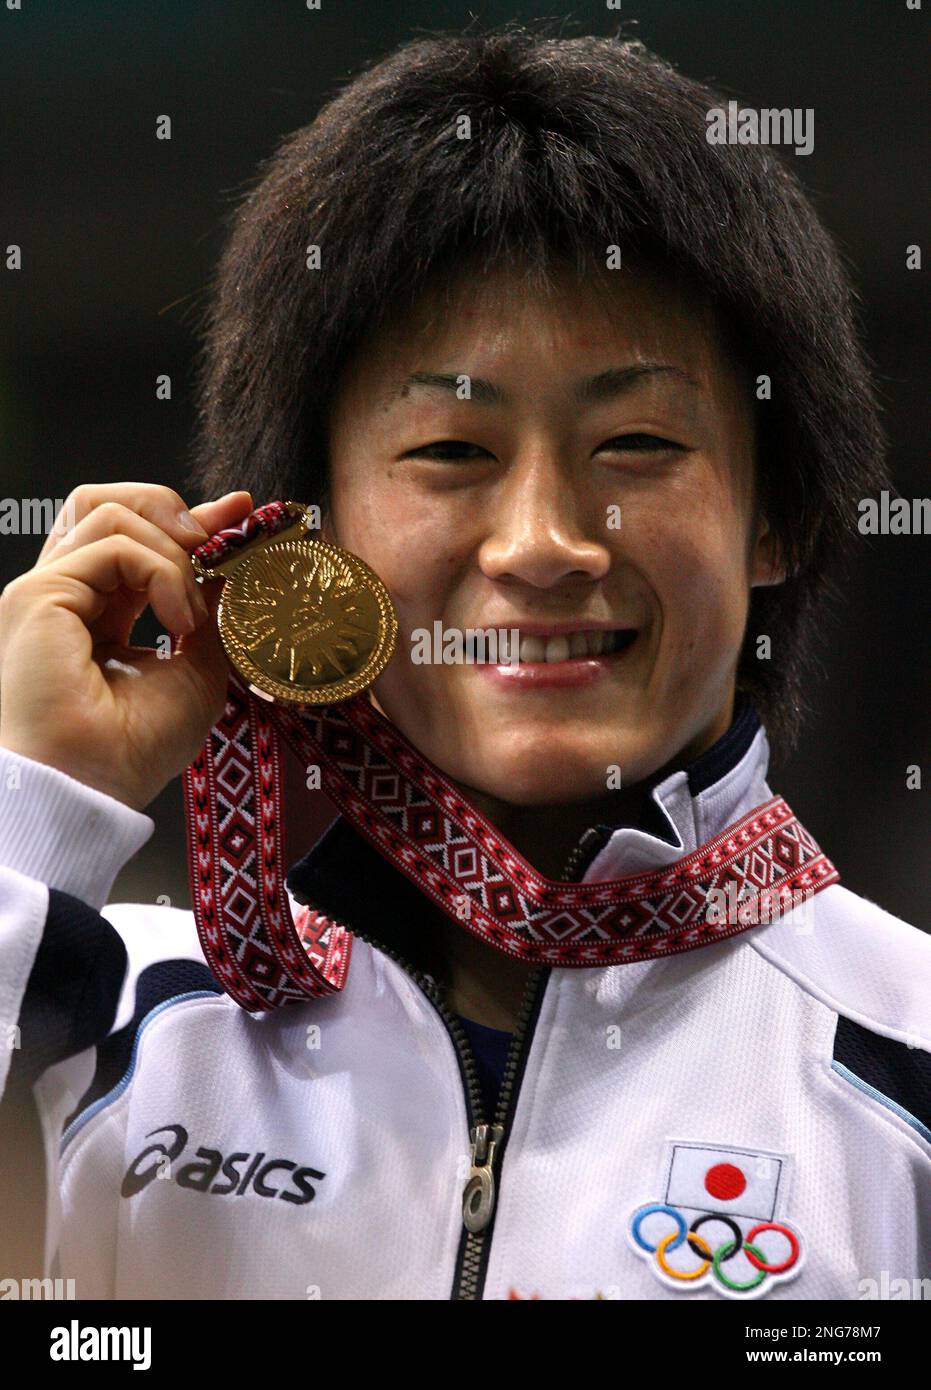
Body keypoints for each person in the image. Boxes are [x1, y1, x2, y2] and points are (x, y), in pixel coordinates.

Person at [0, 28, 927, 1302]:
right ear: (303, 532)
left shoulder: (909, 1056)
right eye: (450, 451)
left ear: (777, 520)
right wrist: (33, 807)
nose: (542, 542)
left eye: (638, 442)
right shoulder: (113, 1032)